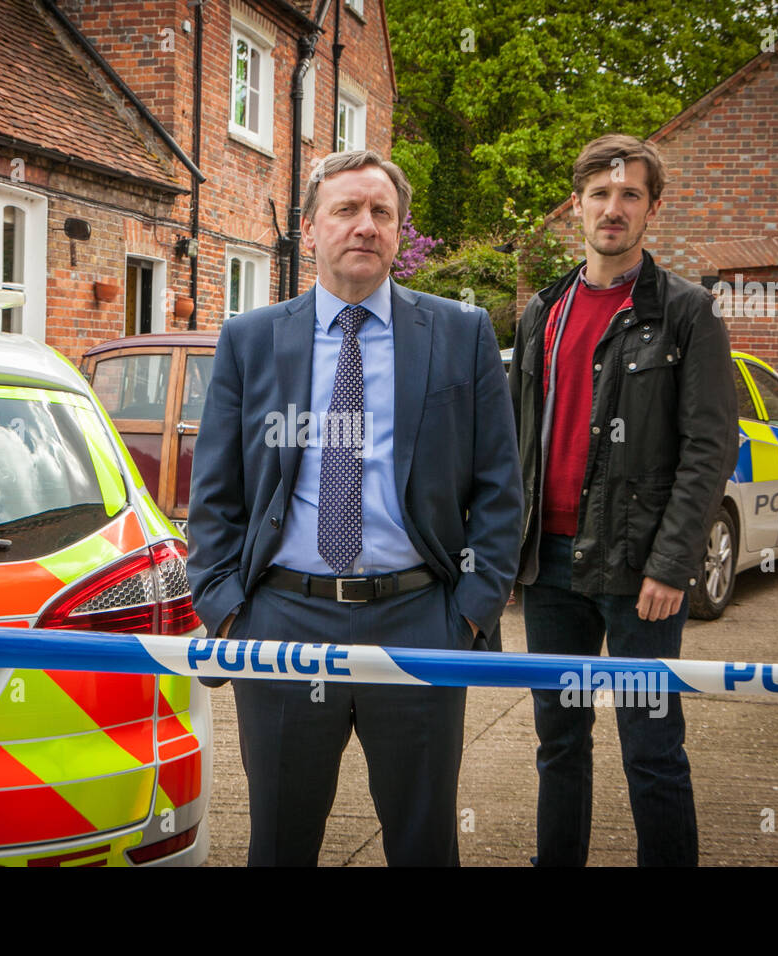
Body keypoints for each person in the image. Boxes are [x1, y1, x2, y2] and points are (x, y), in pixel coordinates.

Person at [187, 150, 521, 866]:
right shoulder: (250, 340)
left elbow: (500, 485)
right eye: (345, 210)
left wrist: (469, 612)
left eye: (380, 212)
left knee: (425, 844)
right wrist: (227, 609)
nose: (363, 226)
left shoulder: (461, 335)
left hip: (420, 622)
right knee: (279, 842)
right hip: (279, 624)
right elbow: (214, 493)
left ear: (400, 232)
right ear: (308, 230)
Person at [509, 134, 739, 866]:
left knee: (651, 744)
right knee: (560, 742)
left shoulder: (686, 313)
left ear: (652, 209)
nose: (614, 208)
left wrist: (673, 565)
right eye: (601, 194)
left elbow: (710, 448)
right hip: (549, 569)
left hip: (639, 572)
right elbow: (517, 439)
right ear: (576, 205)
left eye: (630, 195)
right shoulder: (542, 310)